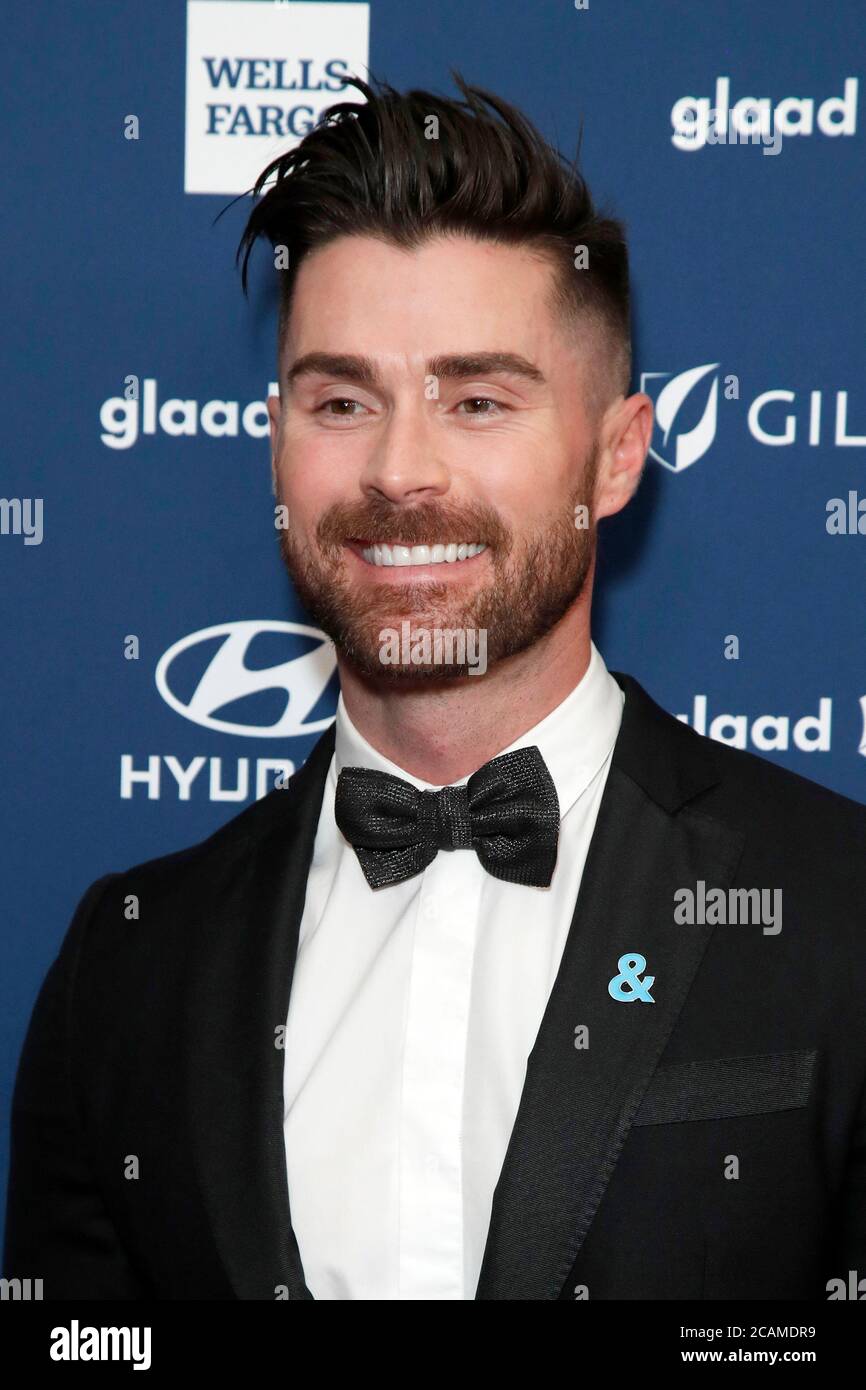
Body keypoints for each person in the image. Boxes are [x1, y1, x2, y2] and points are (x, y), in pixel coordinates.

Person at [5, 73, 866, 1302]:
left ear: (615, 456)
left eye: (476, 400)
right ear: (277, 440)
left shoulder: (837, 912)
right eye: (342, 399)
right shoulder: (128, 967)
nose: (400, 470)